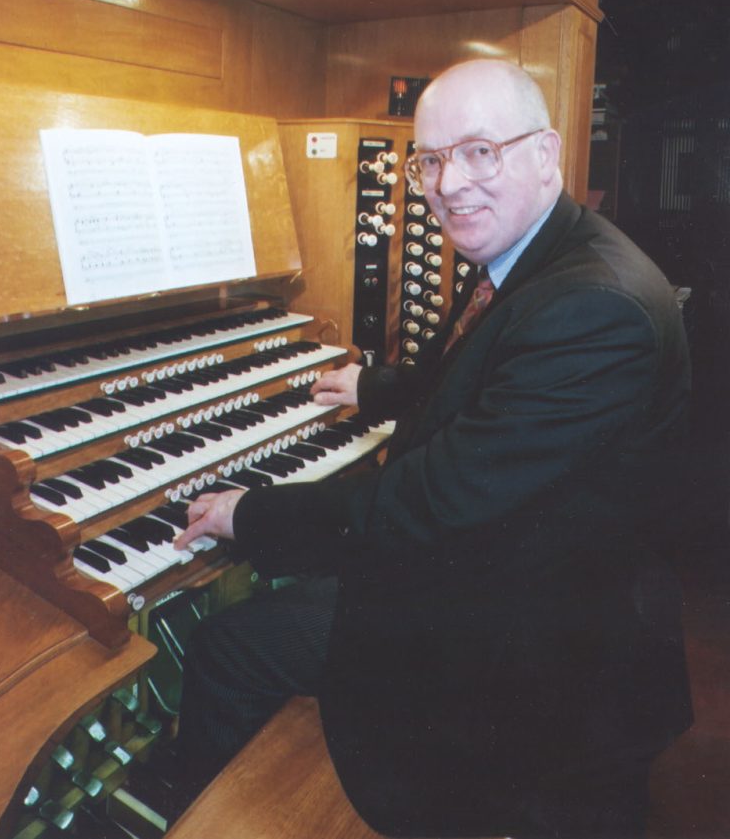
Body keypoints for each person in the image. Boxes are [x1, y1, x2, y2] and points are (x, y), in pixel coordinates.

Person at [172, 60, 693, 838]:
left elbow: (432, 498)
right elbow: (476, 372)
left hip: (530, 641)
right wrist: (373, 389)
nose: (449, 183)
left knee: (228, 646)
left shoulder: (593, 306)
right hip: (526, 578)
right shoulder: (543, 253)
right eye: (432, 159)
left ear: (546, 153)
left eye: (479, 150)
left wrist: (252, 514)